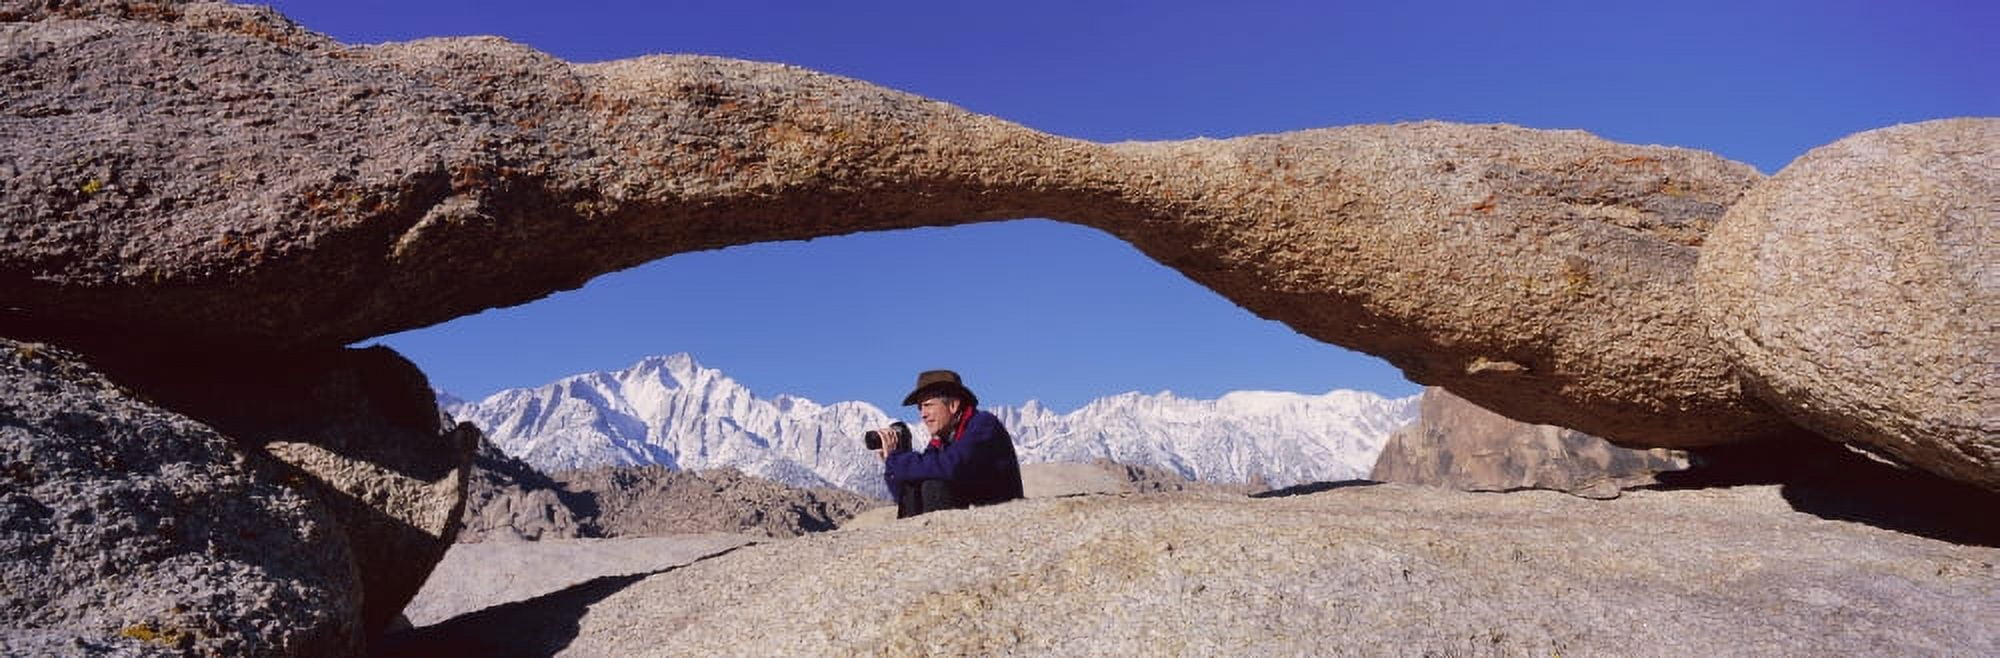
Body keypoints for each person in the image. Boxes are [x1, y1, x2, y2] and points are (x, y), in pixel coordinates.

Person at [874, 370, 1025, 518]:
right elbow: (907, 495)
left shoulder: (983, 424)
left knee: (934, 482)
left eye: (928, 405)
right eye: (920, 408)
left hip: (999, 515)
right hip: (970, 513)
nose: (923, 414)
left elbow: (951, 466)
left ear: (953, 405)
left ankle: (938, 533)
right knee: (921, 477)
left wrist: (899, 460)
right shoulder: (941, 440)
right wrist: (891, 461)